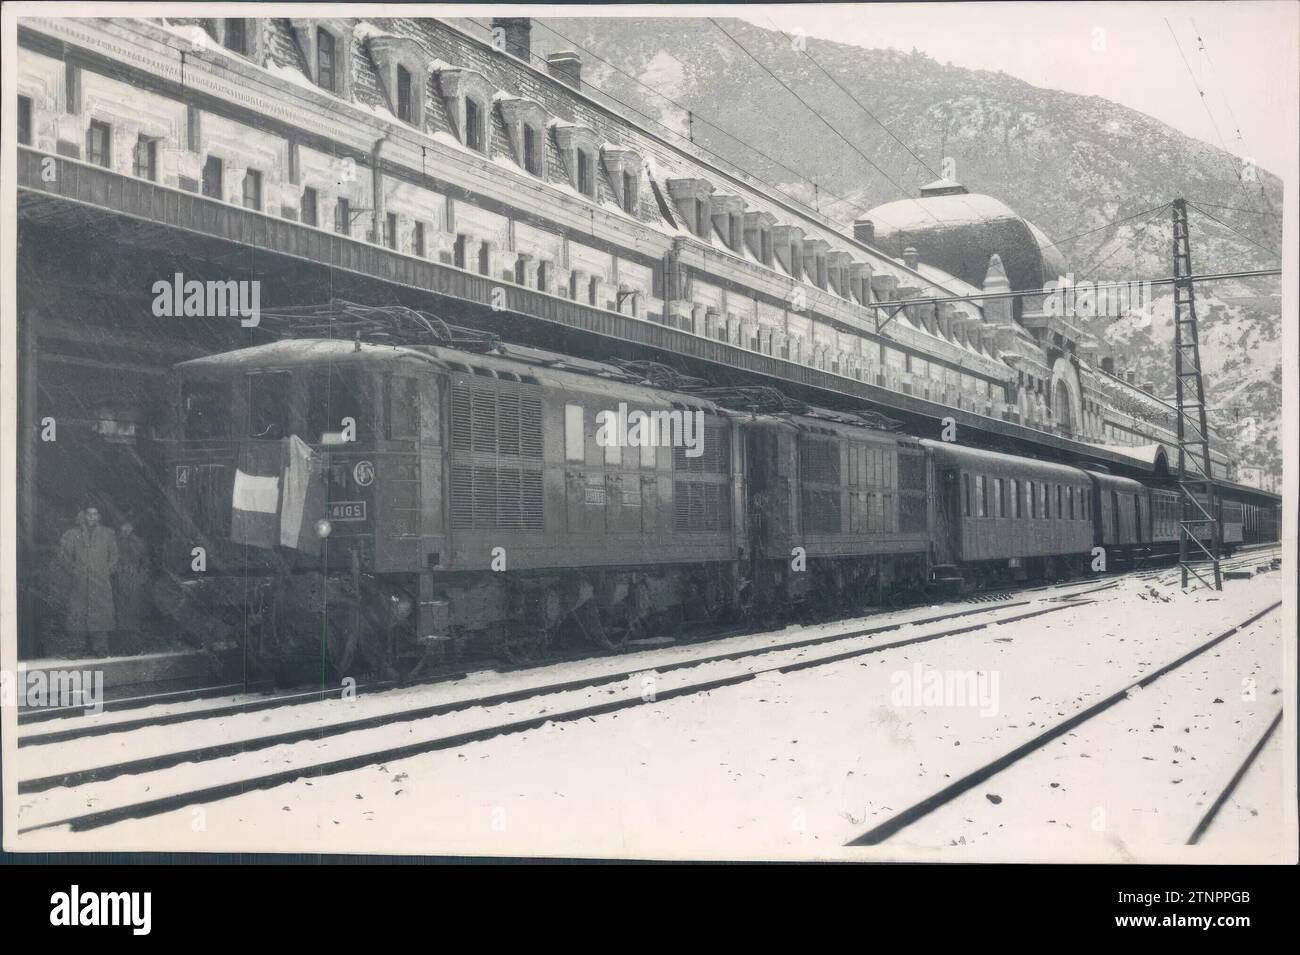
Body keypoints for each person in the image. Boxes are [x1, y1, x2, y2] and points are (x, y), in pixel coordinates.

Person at [58, 505, 118, 658]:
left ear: (99, 517)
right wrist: (75, 571)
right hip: (80, 583)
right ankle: (76, 649)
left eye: (95, 514)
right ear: (84, 516)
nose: (92, 517)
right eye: (89, 514)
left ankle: (100, 648)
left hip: (100, 582)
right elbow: (64, 557)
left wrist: (105, 572)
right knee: (77, 614)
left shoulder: (108, 534)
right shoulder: (73, 534)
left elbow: (114, 557)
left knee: (101, 614)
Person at [114, 519, 150, 653]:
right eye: (123, 528)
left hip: (134, 581)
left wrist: (141, 579)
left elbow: (146, 564)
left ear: (132, 527)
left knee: (134, 613)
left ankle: (135, 646)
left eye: (128, 527)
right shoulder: (115, 542)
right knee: (120, 614)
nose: (125, 530)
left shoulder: (139, 543)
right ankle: (121, 646)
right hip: (119, 580)